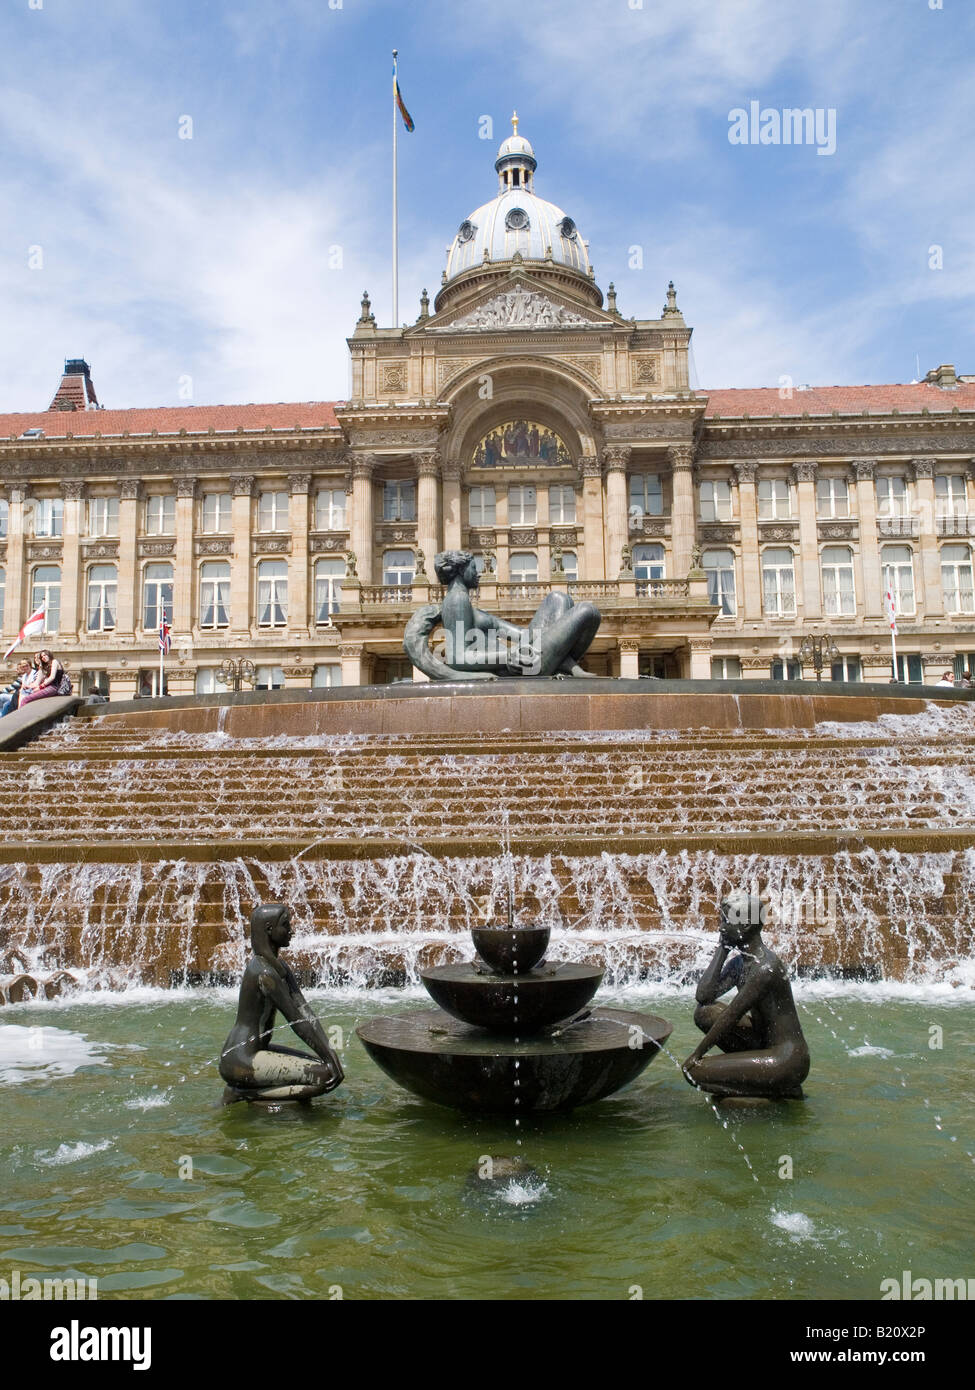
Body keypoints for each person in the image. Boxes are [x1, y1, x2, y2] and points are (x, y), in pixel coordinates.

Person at [682, 892, 810, 1100]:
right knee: (704, 1013)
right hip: (763, 1044)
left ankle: (779, 1088)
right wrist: (722, 949)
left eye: (726, 921)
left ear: (746, 927)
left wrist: (696, 1055)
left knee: (695, 1072)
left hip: (787, 1060)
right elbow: (703, 996)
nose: (721, 928)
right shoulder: (740, 964)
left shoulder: (765, 969)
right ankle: (767, 1085)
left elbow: (731, 1015)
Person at [219, 903, 344, 1103]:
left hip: (256, 1051)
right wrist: (330, 1060)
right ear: (269, 930)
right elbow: (296, 1020)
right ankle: (244, 1093)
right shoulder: (264, 973)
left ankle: (247, 1090)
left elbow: (305, 1011)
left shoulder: (278, 967)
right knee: (326, 1075)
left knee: (323, 1065)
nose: (291, 931)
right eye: (286, 925)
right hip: (241, 1059)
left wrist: (330, 1054)